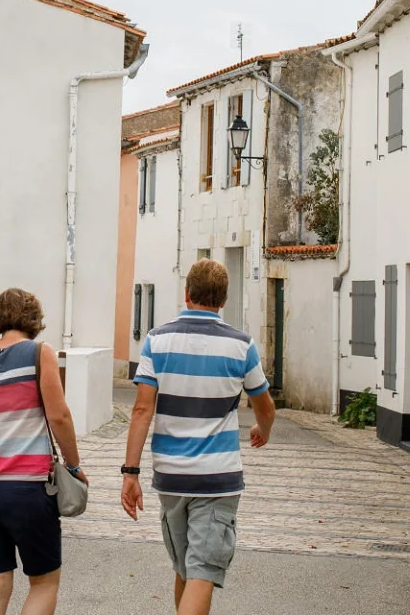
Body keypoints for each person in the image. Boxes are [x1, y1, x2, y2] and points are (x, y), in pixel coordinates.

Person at [119, 259, 275, 615]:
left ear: (186, 293)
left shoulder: (156, 341)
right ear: (224, 299)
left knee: (185, 569)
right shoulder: (242, 345)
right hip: (217, 478)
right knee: (201, 571)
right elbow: (265, 407)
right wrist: (262, 430)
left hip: (171, 477)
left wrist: (130, 473)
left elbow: (142, 410)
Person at [0, 288, 88, 615]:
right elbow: (59, 416)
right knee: (43, 583)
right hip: (27, 489)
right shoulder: (40, 353)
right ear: (33, 318)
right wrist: (73, 466)